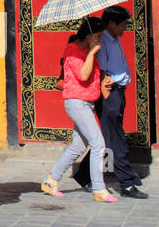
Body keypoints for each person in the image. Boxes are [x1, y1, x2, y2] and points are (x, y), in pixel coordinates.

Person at [72, 6, 146, 199]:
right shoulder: (103, 41)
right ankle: (127, 183)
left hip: (118, 92)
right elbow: (101, 70)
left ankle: (83, 174)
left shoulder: (114, 39)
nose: (125, 28)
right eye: (123, 24)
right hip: (109, 94)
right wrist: (106, 84)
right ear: (112, 23)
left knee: (108, 136)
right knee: (116, 139)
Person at [42, 17, 118, 203]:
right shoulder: (73, 51)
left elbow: (93, 73)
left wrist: (105, 79)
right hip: (77, 102)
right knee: (98, 143)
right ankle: (99, 188)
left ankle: (51, 180)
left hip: (86, 102)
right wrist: (92, 52)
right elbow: (83, 75)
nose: (100, 40)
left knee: (78, 146)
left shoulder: (86, 50)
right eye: (98, 36)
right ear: (89, 35)